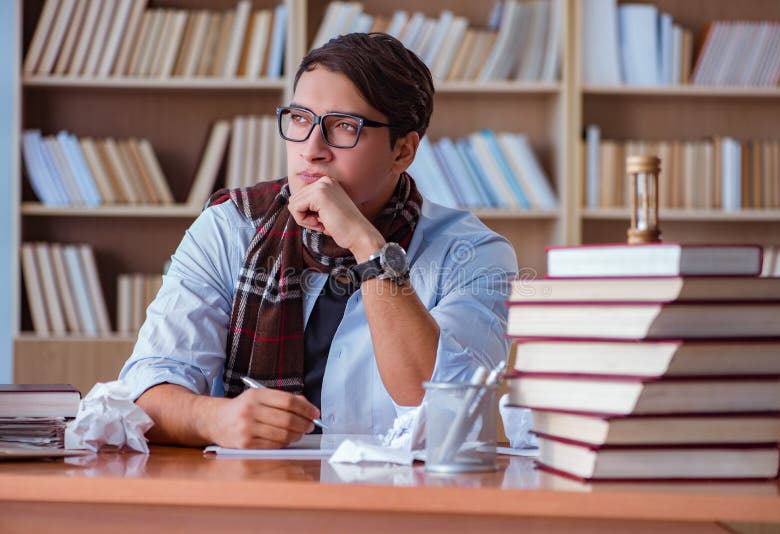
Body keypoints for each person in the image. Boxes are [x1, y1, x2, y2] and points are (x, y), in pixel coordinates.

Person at [119, 33, 517, 449]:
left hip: (400, 500)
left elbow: (450, 415)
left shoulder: (473, 254)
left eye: (345, 126)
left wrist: (370, 249)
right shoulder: (229, 228)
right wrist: (214, 418)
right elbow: (145, 391)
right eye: (300, 119)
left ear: (403, 151)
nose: (311, 149)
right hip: (251, 495)